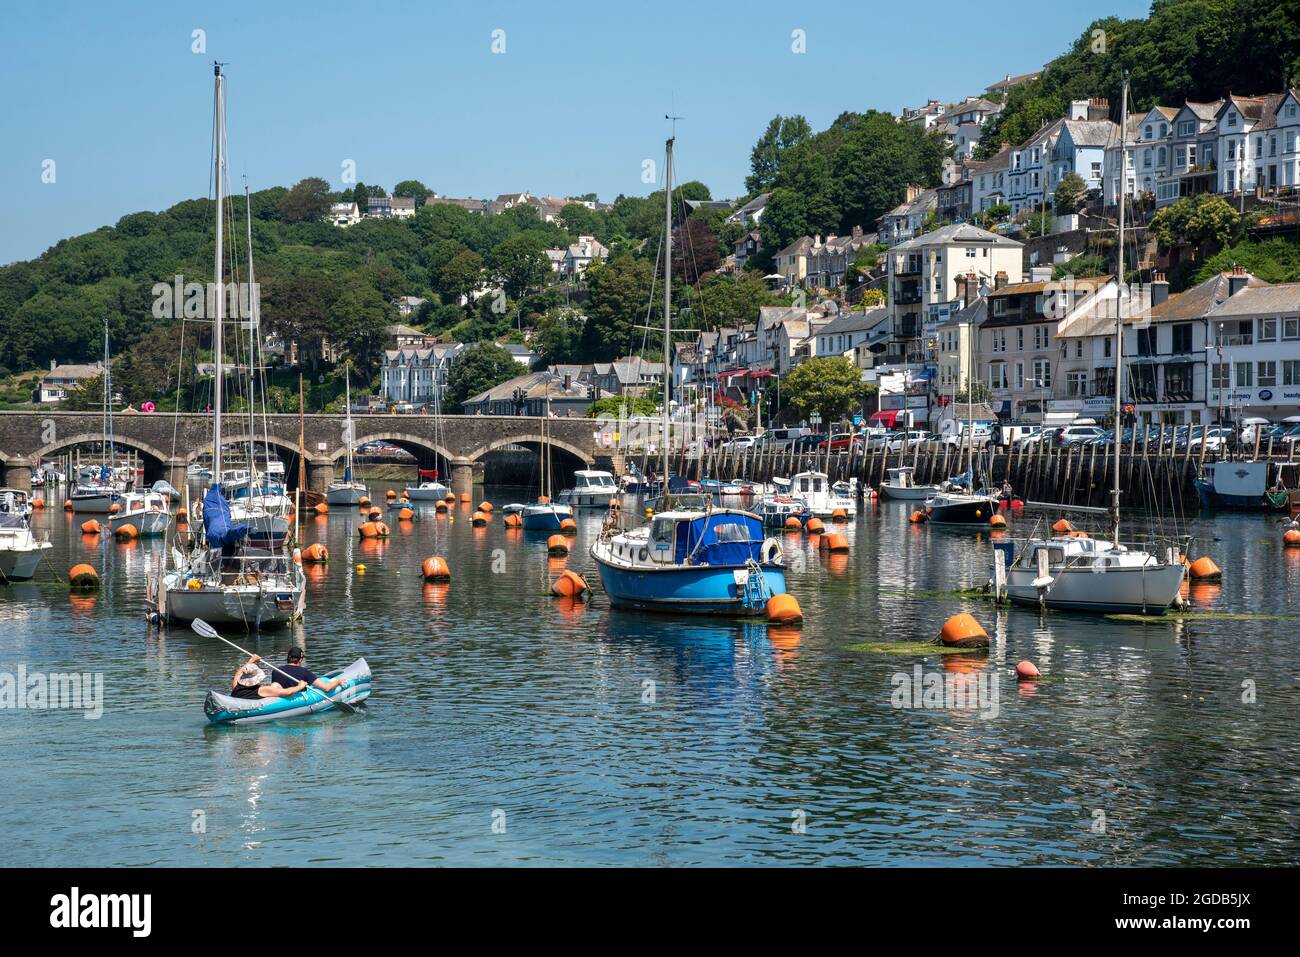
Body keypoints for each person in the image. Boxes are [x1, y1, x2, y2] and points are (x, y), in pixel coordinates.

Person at [229, 655, 306, 700]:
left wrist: (252, 660)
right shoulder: (261, 690)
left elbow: (239, 673)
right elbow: (286, 692)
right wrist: (300, 686)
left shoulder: (236, 686)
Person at [275, 646, 346, 694]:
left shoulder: (276, 671)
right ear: (300, 660)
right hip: (298, 702)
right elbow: (326, 688)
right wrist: (338, 681)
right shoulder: (304, 672)